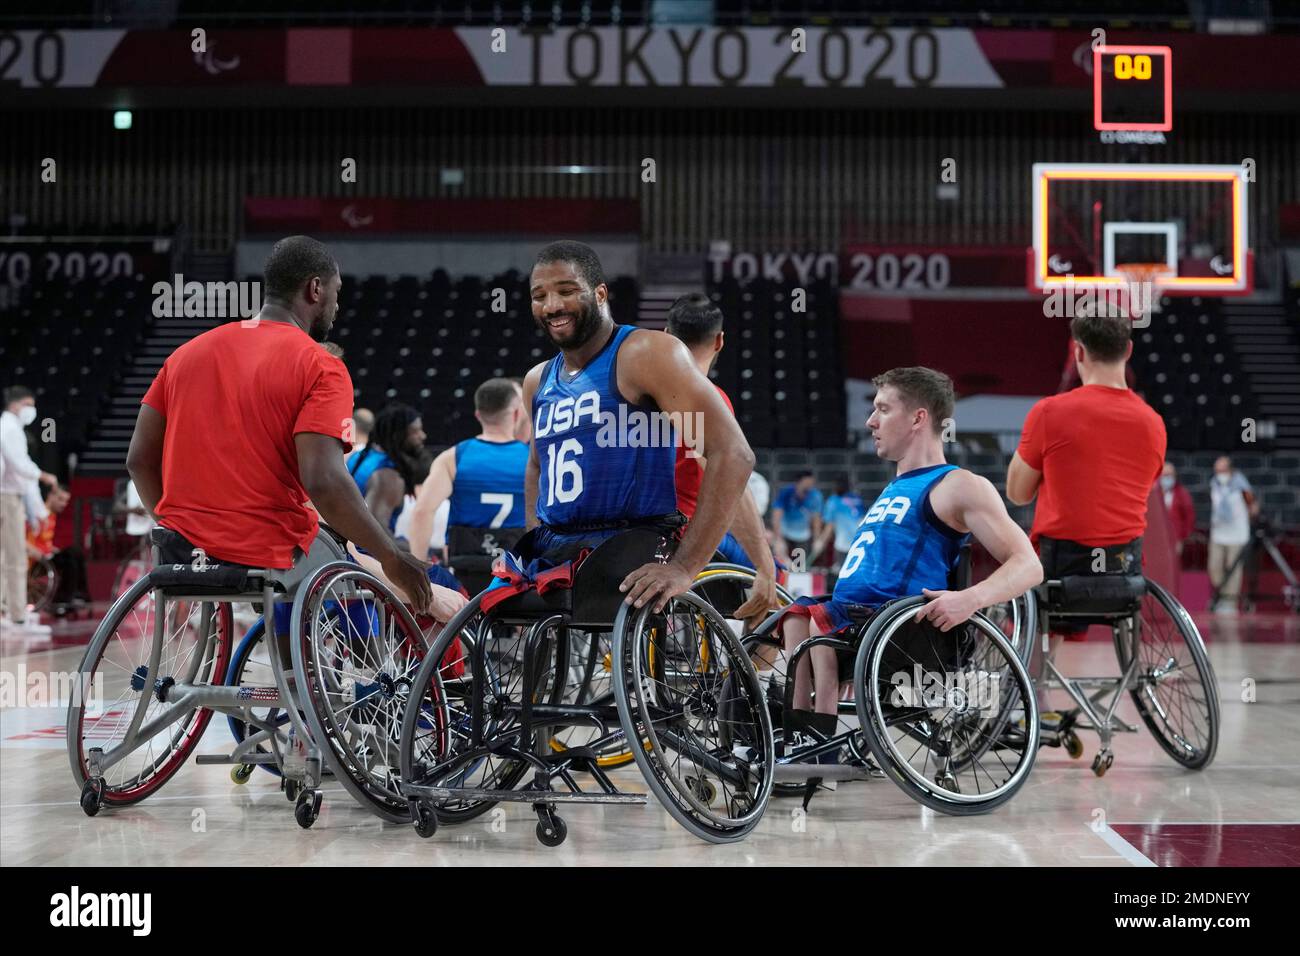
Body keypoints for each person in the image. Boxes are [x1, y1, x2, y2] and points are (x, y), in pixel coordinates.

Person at [126, 235, 437, 625]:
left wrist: (181, 529)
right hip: (266, 547)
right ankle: (342, 681)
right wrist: (391, 557)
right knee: (401, 579)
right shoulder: (320, 365)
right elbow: (323, 482)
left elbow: (138, 460)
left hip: (180, 549)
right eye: (337, 293)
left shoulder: (184, 355)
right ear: (315, 288)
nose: (338, 306)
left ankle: (291, 672)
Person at [779, 367, 1041, 749]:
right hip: (859, 622)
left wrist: (969, 599)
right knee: (793, 619)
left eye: (882, 409)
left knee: (816, 624)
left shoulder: (959, 485)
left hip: (905, 632)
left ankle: (817, 744)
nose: (870, 421)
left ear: (919, 418)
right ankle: (796, 738)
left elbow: (1029, 565)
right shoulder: (893, 487)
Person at [517, 240, 755, 615]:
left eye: (566, 291)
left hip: (630, 541)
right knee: (488, 614)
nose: (552, 306)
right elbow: (535, 465)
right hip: (559, 546)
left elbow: (733, 453)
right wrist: (535, 534)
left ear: (599, 294)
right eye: (539, 295)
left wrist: (684, 567)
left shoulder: (647, 353)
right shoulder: (538, 379)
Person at [1007, 309, 1165, 653]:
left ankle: (1036, 696)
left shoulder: (1049, 412)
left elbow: (1017, 494)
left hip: (1060, 573)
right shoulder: (1154, 423)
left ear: (1078, 352)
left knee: (1008, 577)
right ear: (1128, 350)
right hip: (1125, 574)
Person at [664, 292, 778, 627]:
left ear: (667, 336)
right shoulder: (708, 399)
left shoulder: (636, 393)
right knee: (772, 580)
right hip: (683, 534)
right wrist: (765, 561)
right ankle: (752, 677)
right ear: (720, 341)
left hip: (631, 533)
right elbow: (730, 488)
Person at [407, 377, 529, 593]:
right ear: (517, 414)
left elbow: (422, 512)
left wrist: (420, 570)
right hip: (517, 567)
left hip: (467, 567)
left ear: (478, 415)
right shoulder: (532, 459)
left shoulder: (453, 457)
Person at [1, 385, 59, 636]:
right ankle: (17, 618)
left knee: (6, 558)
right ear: (15, 405)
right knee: (14, 559)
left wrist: (35, 511)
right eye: (28, 405)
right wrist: (43, 475)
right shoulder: (10, 428)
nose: (32, 411)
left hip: (9, 495)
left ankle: (8, 612)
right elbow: (20, 465)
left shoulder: (9, 427)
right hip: (6, 497)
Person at [345, 403, 426, 536]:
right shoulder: (388, 476)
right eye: (415, 431)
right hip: (363, 554)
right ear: (398, 435)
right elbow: (374, 537)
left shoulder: (360, 456)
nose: (423, 436)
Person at [1208, 454, 1257, 615]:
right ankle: (1222, 595)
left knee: (1233, 569)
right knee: (1214, 568)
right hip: (1218, 533)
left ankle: (1229, 603)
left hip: (1237, 534)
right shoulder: (1214, 483)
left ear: (1230, 470)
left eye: (1222, 469)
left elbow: (1252, 506)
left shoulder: (1242, 486)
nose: (1219, 473)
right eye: (1217, 470)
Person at [27, 483, 88, 612]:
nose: (64, 504)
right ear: (50, 495)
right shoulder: (37, 515)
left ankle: (80, 594)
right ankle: (61, 600)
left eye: (66, 501)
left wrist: (53, 549)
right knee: (70, 558)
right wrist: (37, 551)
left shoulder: (52, 515)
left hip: (46, 557)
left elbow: (44, 542)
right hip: (35, 561)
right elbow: (26, 541)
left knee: (76, 553)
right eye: (60, 499)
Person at [771, 471, 823, 568]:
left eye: (811, 484)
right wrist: (778, 539)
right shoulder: (786, 493)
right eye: (807, 483)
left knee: (800, 568)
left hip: (802, 536)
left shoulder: (815, 496)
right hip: (786, 533)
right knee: (783, 564)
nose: (809, 486)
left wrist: (817, 539)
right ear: (798, 483)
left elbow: (816, 519)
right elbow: (776, 516)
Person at [816, 478, 866, 576]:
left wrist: (821, 542)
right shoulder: (857, 499)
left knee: (842, 574)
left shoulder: (833, 501)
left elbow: (829, 527)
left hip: (843, 545)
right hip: (859, 543)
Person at [1161, 461, 1195, 558]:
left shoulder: (1182, 493)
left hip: (1175, 536)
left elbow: (1189, 515)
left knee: (1172, 565)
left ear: (1174, 476)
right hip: (1156, 536)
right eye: (1165, 475)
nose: (1167, 478)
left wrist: (1184, 536)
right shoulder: (1153, 493)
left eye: (1169, 475)